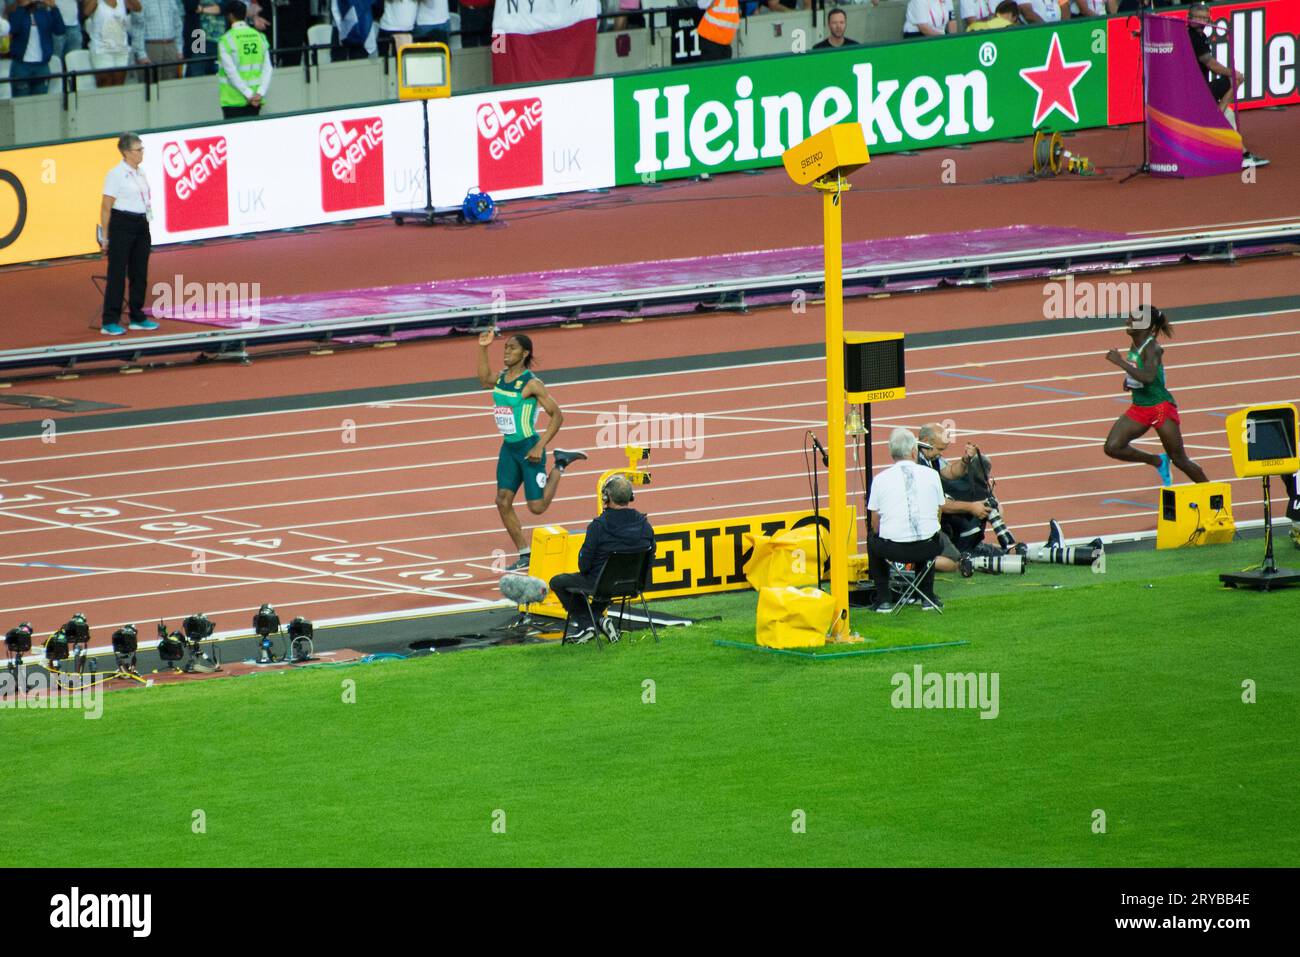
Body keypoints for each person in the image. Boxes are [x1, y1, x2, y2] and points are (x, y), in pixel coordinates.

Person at [477, 329, 587, 570]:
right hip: (509, 449)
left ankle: (560, 464)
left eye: (512, 348)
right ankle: (525, 553)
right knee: (502, 501)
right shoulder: (502, 378)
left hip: (529, 448)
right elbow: (484, 379)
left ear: (525, 353)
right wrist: (483, 347)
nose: (506, 352)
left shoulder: (531, 384)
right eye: (505, 347)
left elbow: (557, 415)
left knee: (536, 508)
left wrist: (540, 445)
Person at [1103, 306, 1208, 487]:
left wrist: (1119, 362)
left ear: (1147, 326)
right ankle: (1157, 461)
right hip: (1140, 407)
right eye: (1129, 318)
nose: (1127, 322)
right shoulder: (1137, 343)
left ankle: (1215, 497)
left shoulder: (1153, 348)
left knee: (1179, 459)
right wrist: (1129, 381)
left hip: (1160, 408)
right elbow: (1143, 374)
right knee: (1112, 447)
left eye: (1133, 319)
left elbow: (1149, 377)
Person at [549, 475, 656, 645]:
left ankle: (590, 623)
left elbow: (584, 565)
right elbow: (650, 559)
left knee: (557, 582)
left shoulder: (598, 526)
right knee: (607, 578)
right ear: (630, 497)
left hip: (603, 585)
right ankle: (598, 620)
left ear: (606, 497)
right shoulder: (645, 525)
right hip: (634, 584)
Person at [867, 428, 947, 612]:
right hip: (929, 547)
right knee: (931, 535)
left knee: (872, 540)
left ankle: (884, 599)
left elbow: (875, 523)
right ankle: (927, 596)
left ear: (891, 453)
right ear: (913, 451)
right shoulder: (932, 475)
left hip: (893, 550)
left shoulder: (879, 480)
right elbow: (939, 511)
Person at [1187, 2, 1268, 168]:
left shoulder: (1200, 35)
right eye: (1198, 18)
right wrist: (1232, 72)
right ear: (1189, 19)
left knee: (1230, 117)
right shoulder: (1192, 36)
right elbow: (1209, 63)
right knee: (1235, 79)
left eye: (1205, 18)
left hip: (1201, 88)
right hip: (1196, 91)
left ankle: (1242, 154)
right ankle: (1215, 116)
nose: (1202, 21)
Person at [99, 132, 160, 336]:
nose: (142, 153)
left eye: (142, 149)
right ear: (126, 152)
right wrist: (105, 236)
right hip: (122, 225)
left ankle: (137, 316)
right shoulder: (115, 174)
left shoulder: (140, 172)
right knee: (117, 273)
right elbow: (106, 206)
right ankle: (109, 320)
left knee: (139, 273)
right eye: (138, 149)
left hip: (142, 225)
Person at [916, 422, 989, 573]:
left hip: (932, 521)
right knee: (954, 562)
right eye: (939, 449)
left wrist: (965, 460)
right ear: (926, 442)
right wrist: (971, 507)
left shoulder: (929, 455)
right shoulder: (917, 465)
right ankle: (916, 561)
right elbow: (939, 505)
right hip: (923, 526)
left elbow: (950, 472)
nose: (940, 453)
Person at [217, 0, 271, 118]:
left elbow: (231, 73)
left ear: (230, 16)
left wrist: (249, 94)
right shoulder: (259, 36)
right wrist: (260, 93)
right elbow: (268, 68)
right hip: (256, 99)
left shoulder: (226, 40)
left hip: (233, 100)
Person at [5, 0, 66, 96]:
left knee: (39, 104)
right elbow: (13, 28)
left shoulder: (44, 13)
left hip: (42, 66)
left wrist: (54, 7)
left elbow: (60, 30)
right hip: (21, 67)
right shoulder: (16, 11)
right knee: (21, 104)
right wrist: (22, 7)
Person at [83, 0, 138, 86]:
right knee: (105, 84)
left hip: (121, 50)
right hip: (101, 50)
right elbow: (86, 12)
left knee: (119, 86)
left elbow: (138, 8)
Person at [133, 0, 183, 80]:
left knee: (170, 84)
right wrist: (141, 54)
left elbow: (178, 24)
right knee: (151, 85)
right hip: (151, 47)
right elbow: (137, 28)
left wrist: (179, 49)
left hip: (171, 46)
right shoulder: (142, 2)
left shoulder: (171, 1)